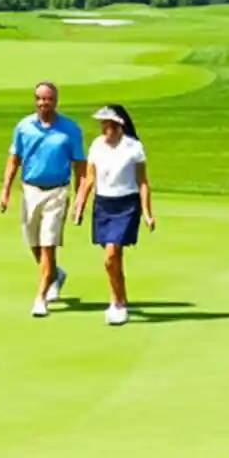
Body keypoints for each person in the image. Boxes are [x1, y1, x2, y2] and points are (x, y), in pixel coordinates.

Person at [0, 81, 87, 317]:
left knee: (48, 244)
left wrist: (80, 200)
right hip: (30, 190)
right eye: (39, 98)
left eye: (47, 99)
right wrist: (5, 189)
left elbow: (80, 167)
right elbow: (14, 158)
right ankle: (55, 274)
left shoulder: (70, 129)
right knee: (33, 242)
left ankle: (40, 298)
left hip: (56, 192)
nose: (43, 103)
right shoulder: (24, 126)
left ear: (55, 101)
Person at [70, 104, 156, 326]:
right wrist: (79, 205)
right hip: (103, 204)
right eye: (102, 124)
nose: (103, 129)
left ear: (119, 125)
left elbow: (142, 182)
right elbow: (89, 179)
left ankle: (117, 304)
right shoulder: (97, 146)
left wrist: (147, 213)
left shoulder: (133, 147)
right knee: (113, 260)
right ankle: (119, 299)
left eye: (107, 124)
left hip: (126, 204)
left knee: (111, 255)